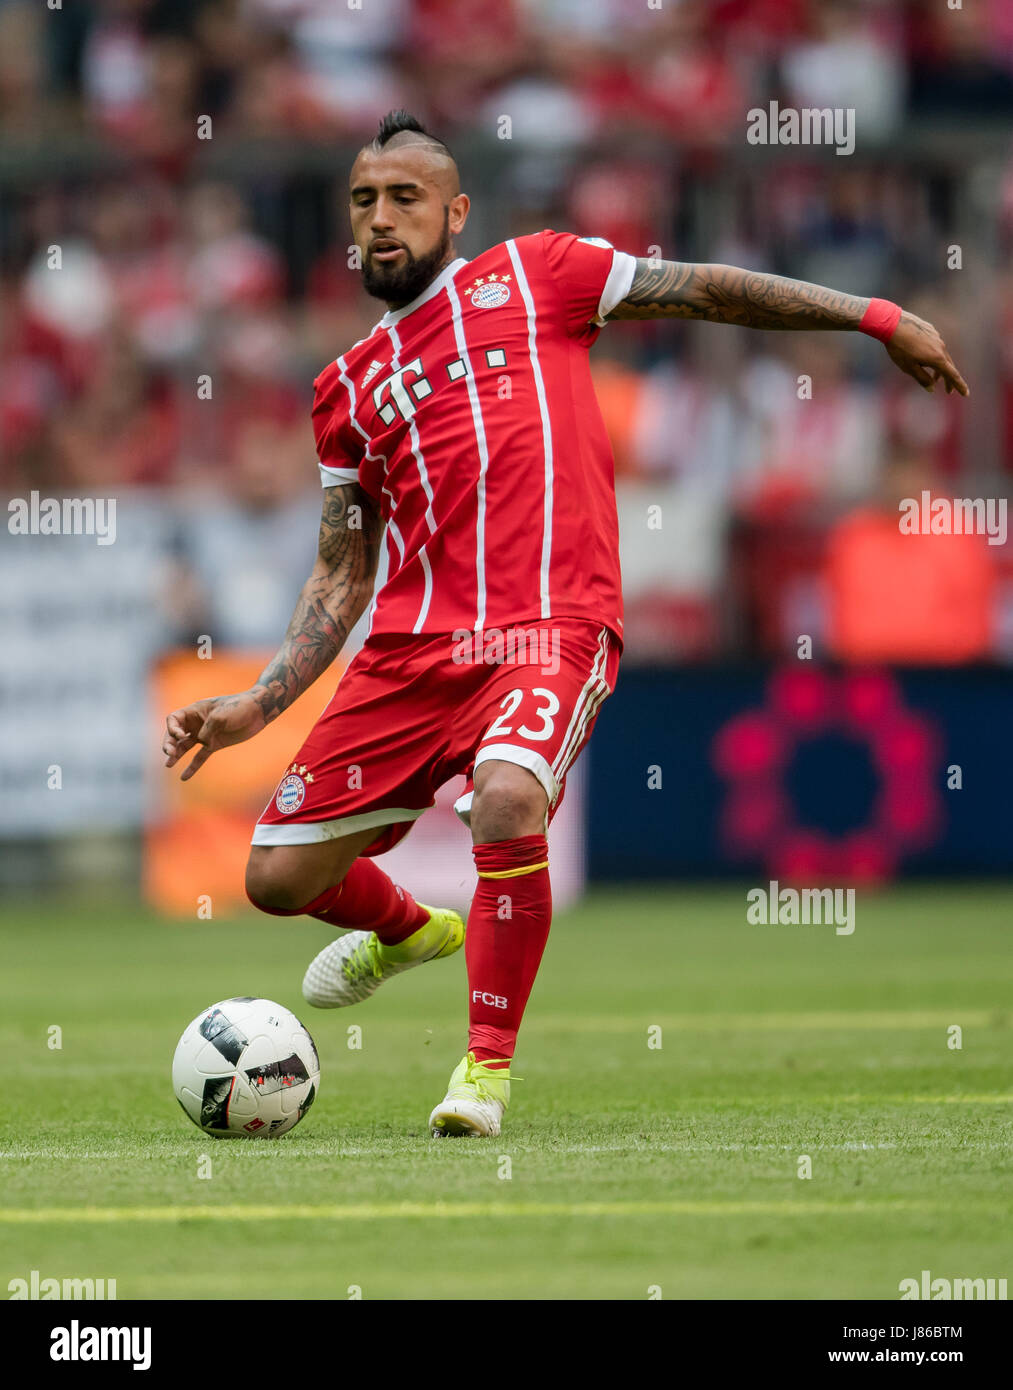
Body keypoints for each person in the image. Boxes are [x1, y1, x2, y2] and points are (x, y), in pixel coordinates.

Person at [163, 110, 968, 1137]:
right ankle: (410, 933)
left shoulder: (536, 276)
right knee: (275, 877)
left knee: (506, 797)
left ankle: (481, 1075)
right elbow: (340, 570)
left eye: (404, 197)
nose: (379, 218)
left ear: (455, 212)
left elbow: (708, 289)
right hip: (411, 651)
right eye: (363, 201)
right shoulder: (344, 390)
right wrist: (257, 701)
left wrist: (874, 317)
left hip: (549, 624)